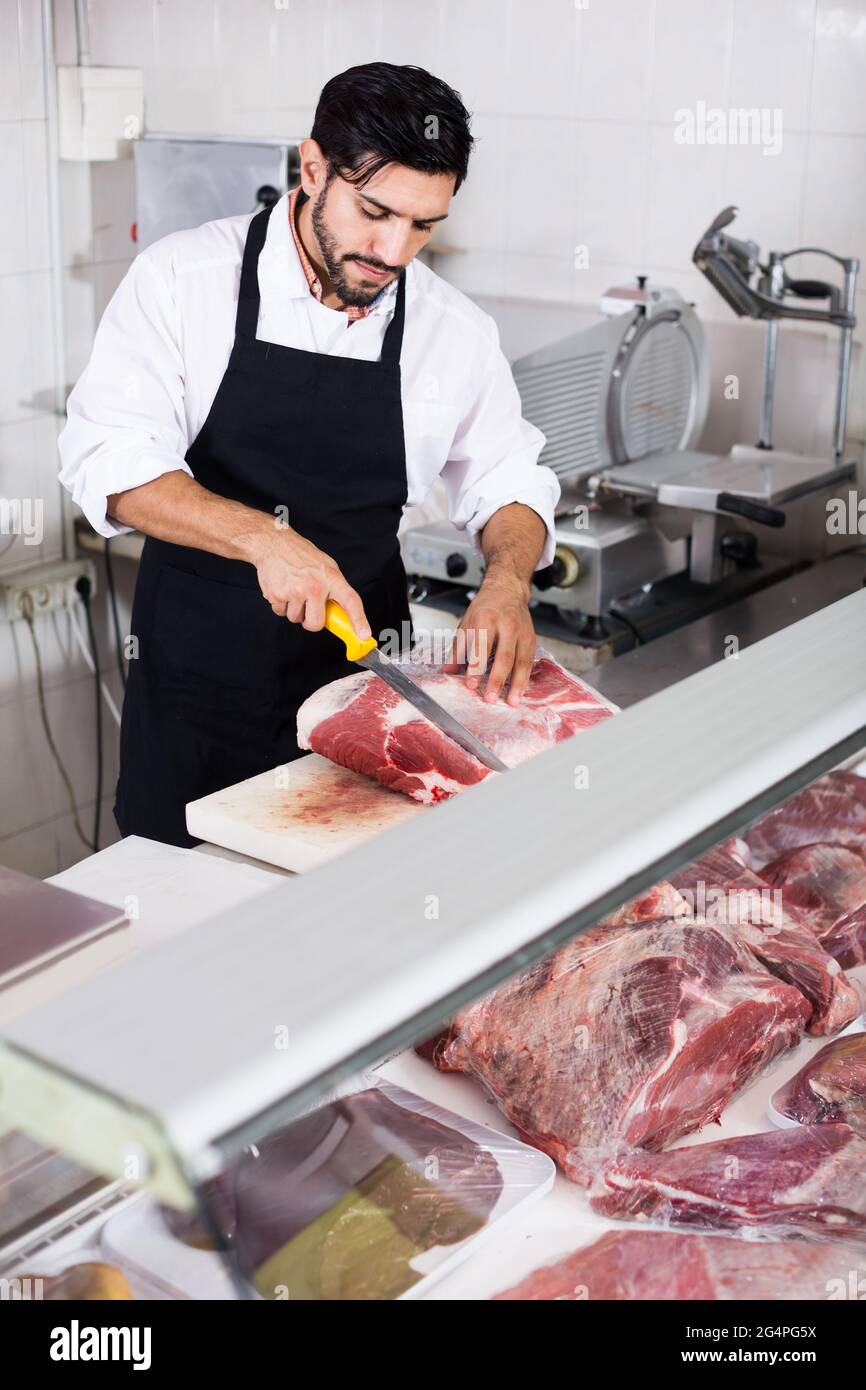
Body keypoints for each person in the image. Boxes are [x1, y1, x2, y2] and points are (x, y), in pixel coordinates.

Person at [59, 63, 559, 846]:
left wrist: (507, 581)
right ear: (313, 167)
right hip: (197, 703)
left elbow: (507, 477)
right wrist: (265, 538)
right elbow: (108, 462)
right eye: (374, 212)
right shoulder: (185, 280)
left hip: (365, 697)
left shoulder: (451, 330)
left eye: (424, 226)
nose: (394, 251)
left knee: (356, 934)